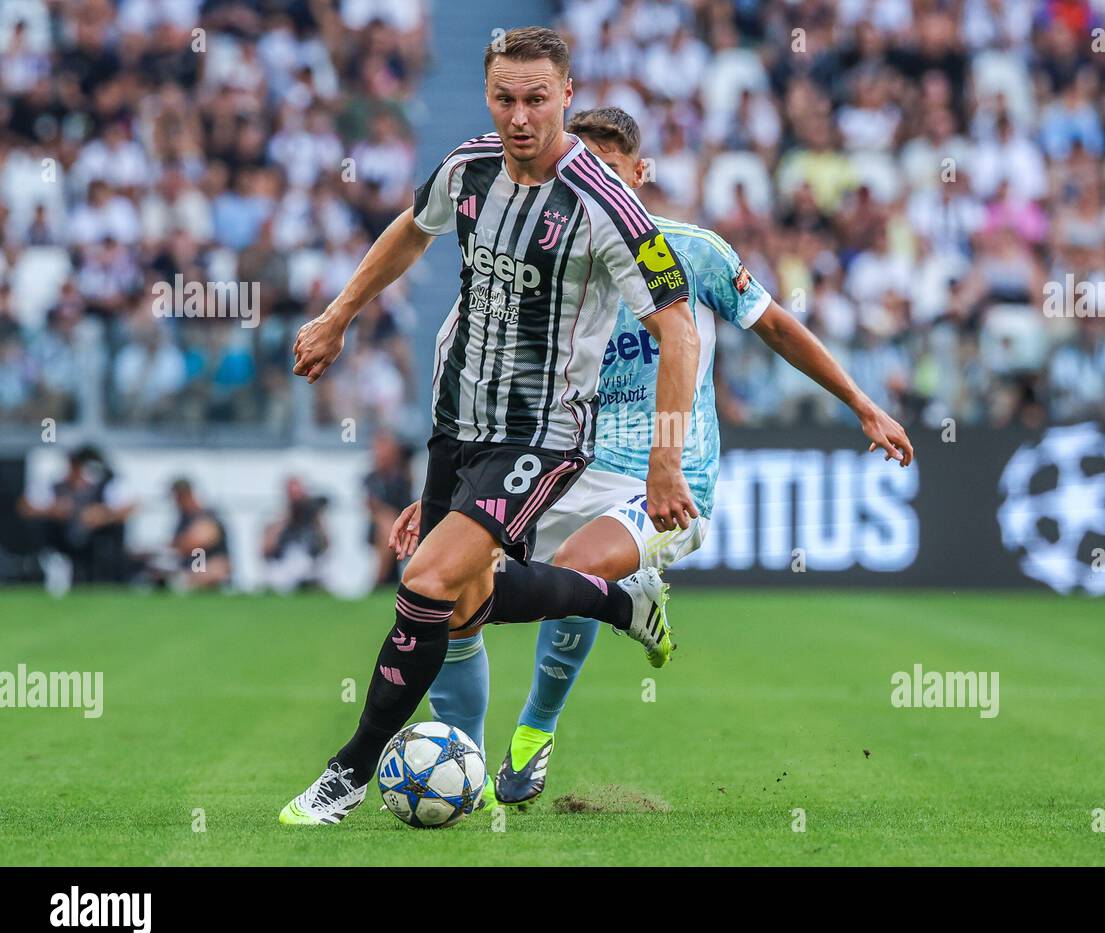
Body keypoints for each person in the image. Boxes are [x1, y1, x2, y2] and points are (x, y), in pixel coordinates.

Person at [406, 107, 914, 807]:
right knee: (450, 588)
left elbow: (777, 327)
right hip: (560, 464)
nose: (595, 186)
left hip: (668, 476)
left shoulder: (693, 253)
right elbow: (482, 377)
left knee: (575, 569)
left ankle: (536, 731)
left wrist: (861, 403)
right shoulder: (542, 262)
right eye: (582, 170)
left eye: (611, 172)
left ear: (639, 174)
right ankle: (470, 768)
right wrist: (444, 496)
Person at [280, 27, 702, 826]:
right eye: (505, 98)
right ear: (487, 95)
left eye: (537, 99)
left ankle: (348, 774)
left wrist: (665, 459)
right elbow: (412, 229)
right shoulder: (467, 167)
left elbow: (677, 329)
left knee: (425, 583)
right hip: (456, 421)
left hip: (541, 434)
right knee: (463, 606)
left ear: (567, 96)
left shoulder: (606, 205)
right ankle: (620, 605)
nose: (520, 116)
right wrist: (338, 316)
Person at [17, 445, 135, 585]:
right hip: (61, 538)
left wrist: (104, 514)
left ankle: (107, 577)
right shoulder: (55, 485)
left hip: (94, 539)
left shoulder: (107, 485)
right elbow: (24, 507)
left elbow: (130, 507)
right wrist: (52, 510)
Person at [261, 477, 329, 593]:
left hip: (310, 564)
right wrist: (286, 519)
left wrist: (316, 519)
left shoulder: (312, 517)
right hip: (283, 565)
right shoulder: (274, 515)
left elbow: (326, 546)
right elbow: (265, 550)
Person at [362, 432, 413, 588]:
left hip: (404, 526)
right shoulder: (371, 478)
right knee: (388, 525)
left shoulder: (402, 477)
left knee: (391, 525)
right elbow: (372, 505)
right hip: (381, 528)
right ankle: (380, 579)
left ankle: (381, 580)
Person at [166, 478, 231, 590]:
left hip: (208, 569)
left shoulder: (207, 515)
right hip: (188, 568)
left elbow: (194, 542)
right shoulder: (183, 519)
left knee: (215, 566)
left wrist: (172, 546)